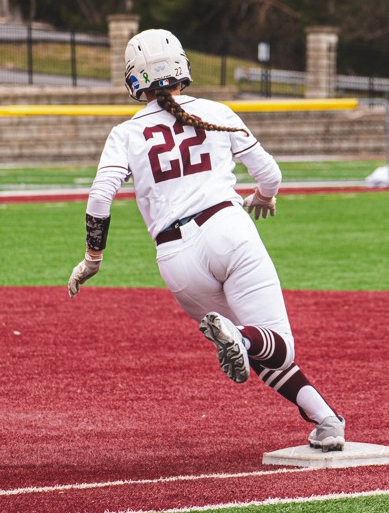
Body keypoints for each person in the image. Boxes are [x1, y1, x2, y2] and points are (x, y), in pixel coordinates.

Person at [67, 28, 346, 450]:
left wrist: (92, 257)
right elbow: (270, 174)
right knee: (274, 344)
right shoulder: (218, 111)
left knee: (254, 346)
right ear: (182, 66)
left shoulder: (125, 134)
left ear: (133, 79)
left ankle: (327, 421)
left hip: (174, 258)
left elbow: (99, 198)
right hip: (226, 229)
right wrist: (263, 197)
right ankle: (242, 338)